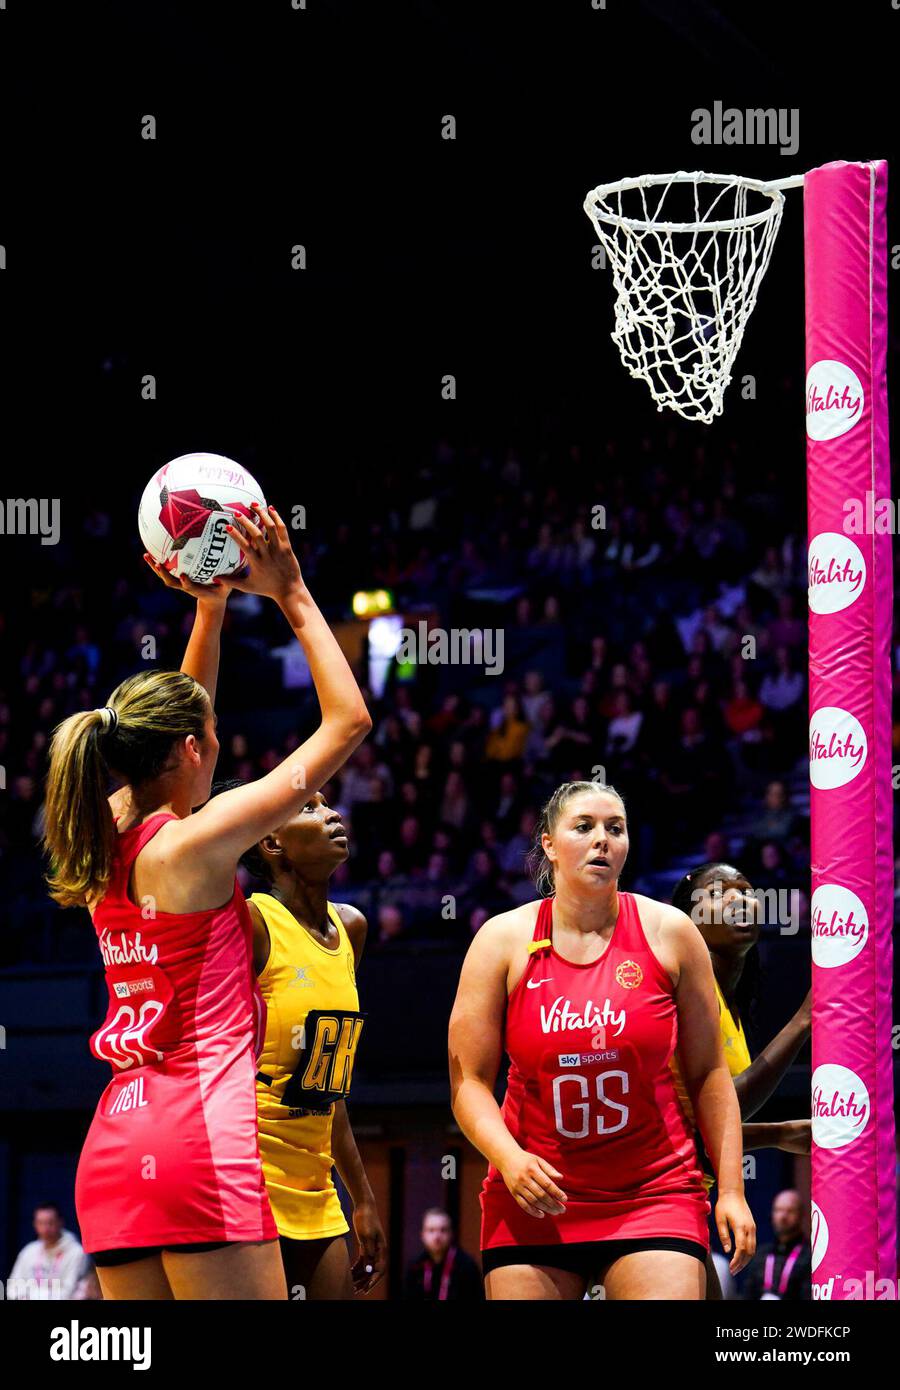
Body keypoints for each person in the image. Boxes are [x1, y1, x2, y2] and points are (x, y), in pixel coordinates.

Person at [42, 503, 371, 1299]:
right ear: (192, 751)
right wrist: (291, 592)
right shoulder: (199, 842)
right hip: (201, 1141)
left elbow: (187, 710)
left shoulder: (102, 830)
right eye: (209, 733)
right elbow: (349, 720)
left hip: (117, 1147)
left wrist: (210, 605)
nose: (216, 734)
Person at [448, 781, 755, 1301]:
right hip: (535, 1195)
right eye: (584, 827)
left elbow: (709, 1073)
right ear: (548, 844)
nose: (602, 840)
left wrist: (731, 1190)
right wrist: (509, 1158)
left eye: (615, 829)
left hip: (654, 1192)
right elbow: (468, 1081)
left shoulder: (671, 932)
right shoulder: (500, 940)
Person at [208, 778, 387, 1300]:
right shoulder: (251, 922)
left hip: (315, 1186)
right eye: (309, 808)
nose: (331, 814)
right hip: (247, 1178)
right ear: (272, 844)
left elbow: (328, 1083)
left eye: (329, 804)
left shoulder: (350, 927)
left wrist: (364, 1199)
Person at [670, 861, 811, 1301]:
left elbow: (704, 1129)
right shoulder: (683, 992)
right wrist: (806, 1020)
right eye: (719, 892)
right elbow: (715, 1113)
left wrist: (780, 1134)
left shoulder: (729, 1007)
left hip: (690, 1199)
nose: (740, 900)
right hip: (658, 1199)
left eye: (748, 891)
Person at [7, 1202, 89, 1299]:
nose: (45, 1229)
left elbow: (69, 1293)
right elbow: (12, 1288)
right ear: (35, 1225)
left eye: (50, 1223)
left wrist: (32, 1295)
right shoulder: (28, 1251)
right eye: (40, 1223)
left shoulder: (76, 1253)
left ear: (60, 1222)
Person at [741, 1190, 811, 1300]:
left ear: (801, 1215)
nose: (783, 1216)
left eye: (790, 1211)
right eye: (778, 1210)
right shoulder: (760, 1254)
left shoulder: (809, 1256)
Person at [403, 1208, 483, 1301]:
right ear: (422, 1235)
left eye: (443, 1230)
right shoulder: (415, 1266)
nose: (437, 1236)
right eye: (431, 1230)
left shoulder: (467, 1266)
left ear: (451, 1234)